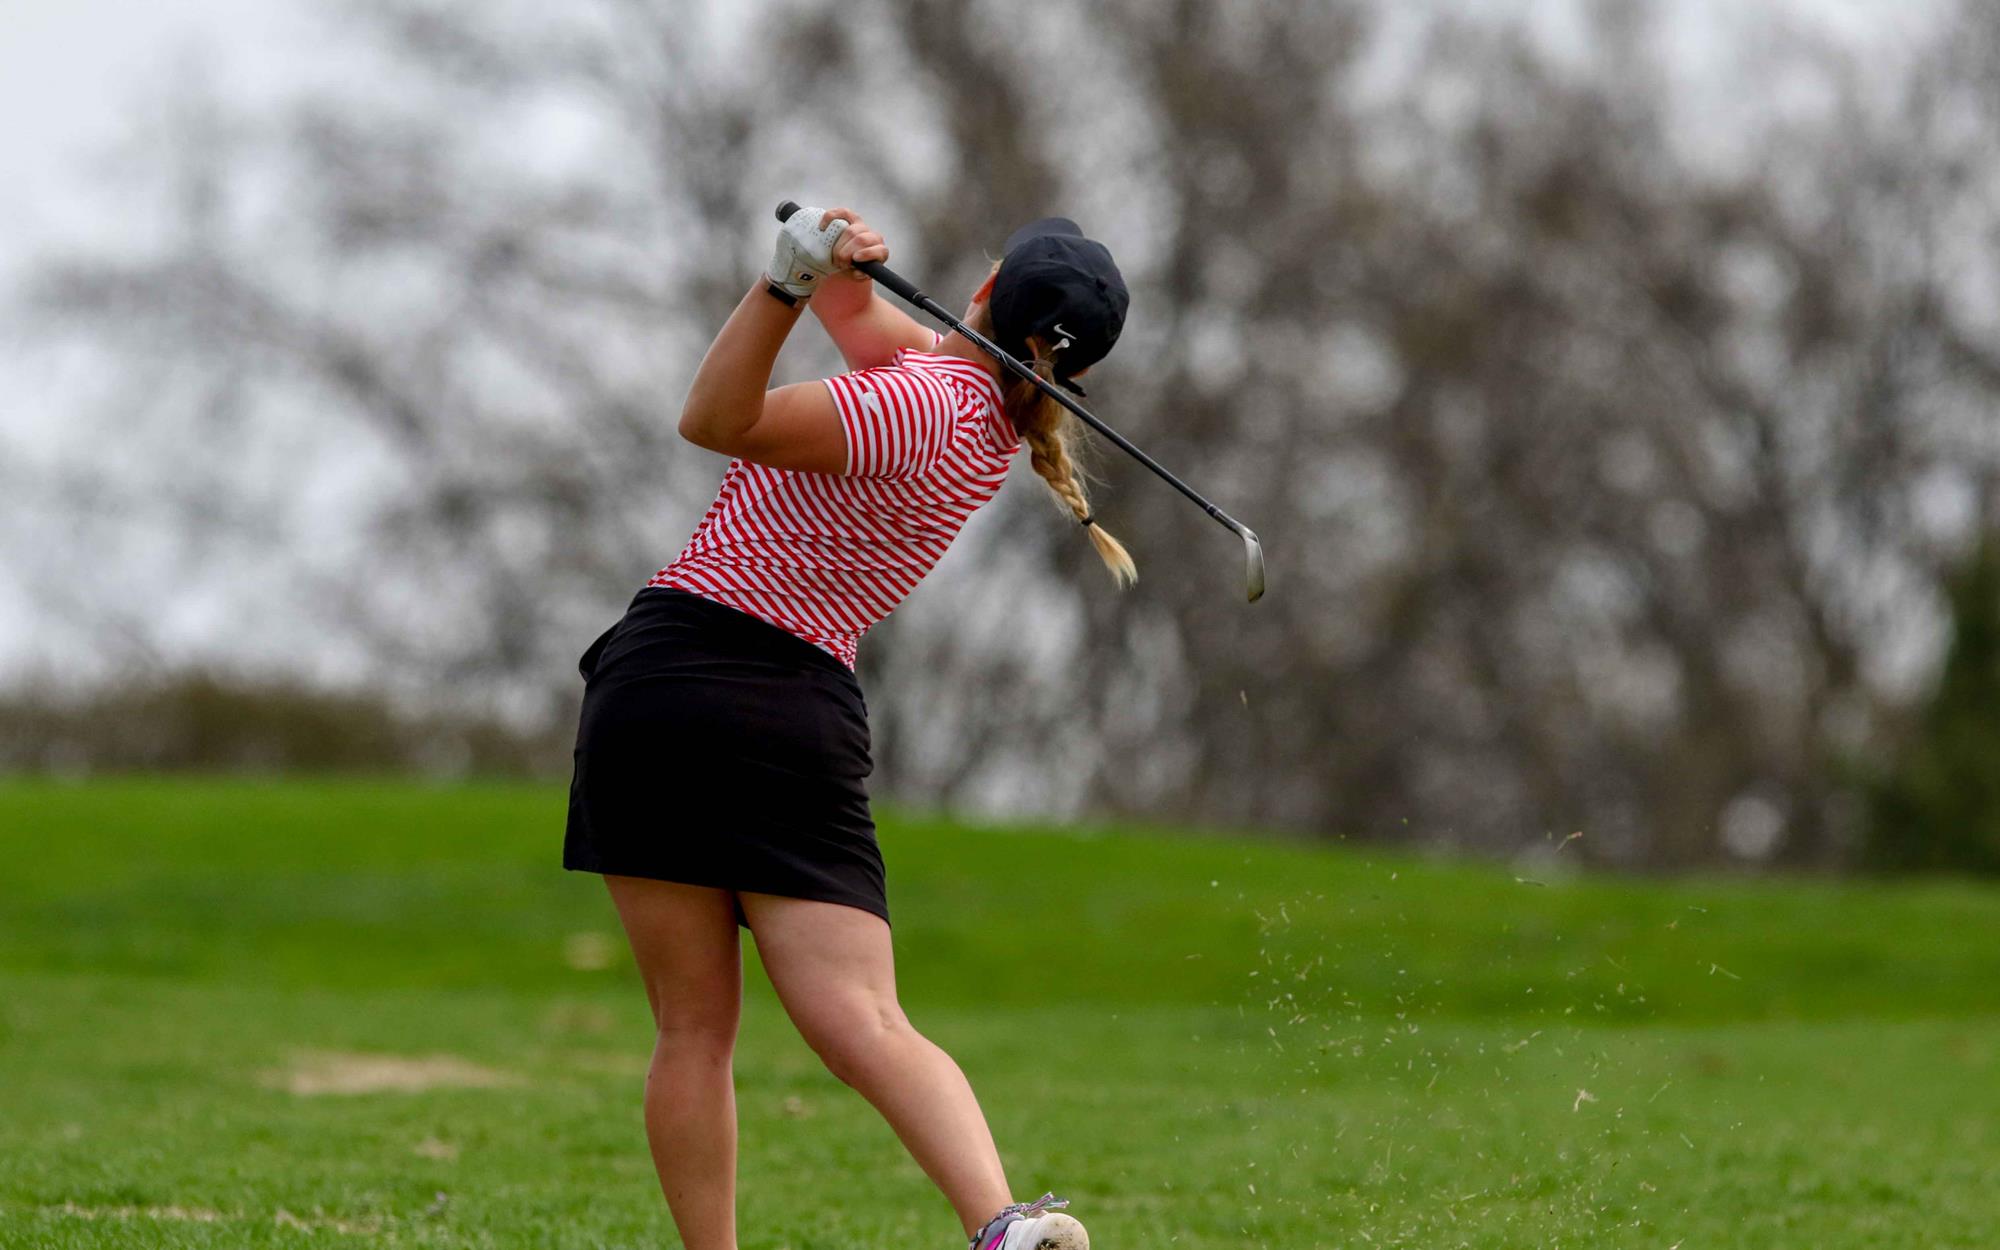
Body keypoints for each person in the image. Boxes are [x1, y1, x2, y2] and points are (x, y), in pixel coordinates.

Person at [563, 203, 1133, 1250]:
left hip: (675, 679)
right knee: (866, 1018)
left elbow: (713, 419)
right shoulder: (984, 417)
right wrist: (836, 263)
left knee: (693, 1028)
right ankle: (1000, 1224)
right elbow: (874, 329)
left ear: (984, 289)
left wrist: (780, 286)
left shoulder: (914, 404)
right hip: (794, 710)